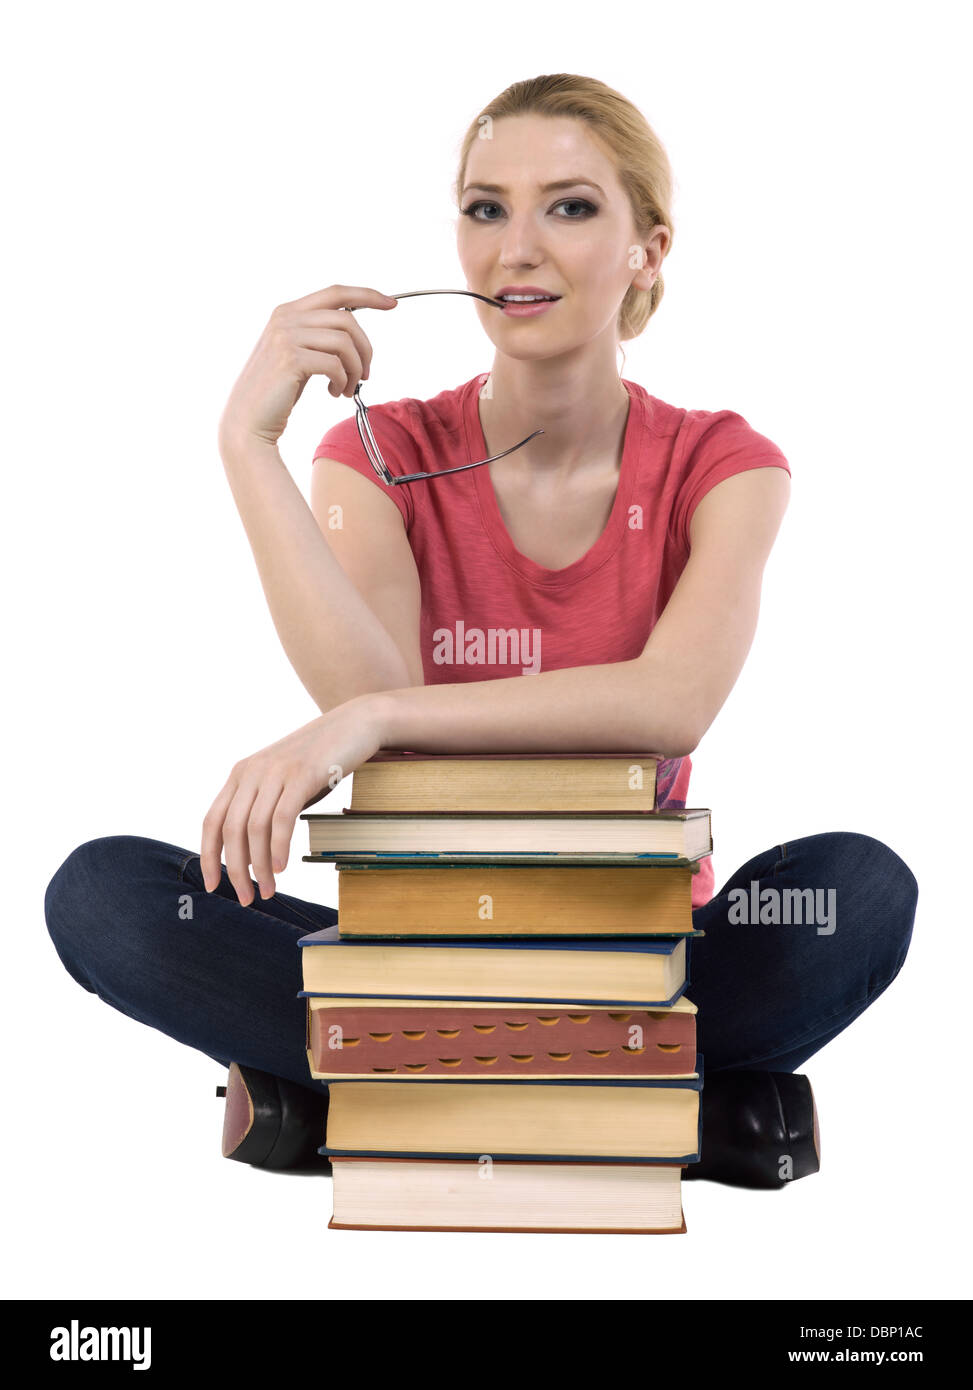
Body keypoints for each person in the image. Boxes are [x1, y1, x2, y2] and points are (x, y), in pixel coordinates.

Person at [44, 73, 917, 1188]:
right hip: (413, 952)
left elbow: (667, 703)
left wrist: (368, 719)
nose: (515, 247)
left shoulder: (722, 464)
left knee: (858, 889)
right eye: (484, 207)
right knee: (105, 895)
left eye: (569, 206)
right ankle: (673, 1110)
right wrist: (246, 448)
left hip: (641, 955)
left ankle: (361, 1099)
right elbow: (378, 706)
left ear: (648, 249)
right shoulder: (382, 452)